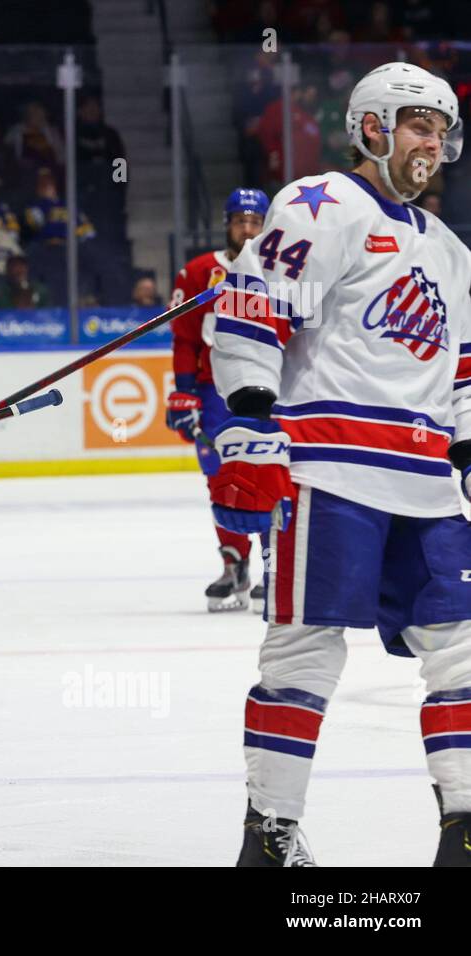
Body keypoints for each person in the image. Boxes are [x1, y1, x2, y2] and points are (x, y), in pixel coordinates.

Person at [210, 62, 471, 866]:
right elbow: (254, 313)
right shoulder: (324, 203)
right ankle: (271, 831)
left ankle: (464, 827)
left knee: (460, 647)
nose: (432, 141)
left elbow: (461, 375)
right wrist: (250, 416)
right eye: (417, 124)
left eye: (440, 128)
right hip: (331, 473)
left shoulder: (453, 251)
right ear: (371, 127)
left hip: (428, 484)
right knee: (304, 650)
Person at [166, 187, 269, 613]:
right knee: (221, 477)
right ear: (226, 223)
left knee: (271, 476)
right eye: (239, 221)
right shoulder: (198, 272)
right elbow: (185, 338)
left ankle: (276, 564)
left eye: (254, 222)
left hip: (268, 391)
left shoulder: (284, 271)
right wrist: (185, 392)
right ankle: (234, 563)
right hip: (213, 395)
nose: (246, 230)